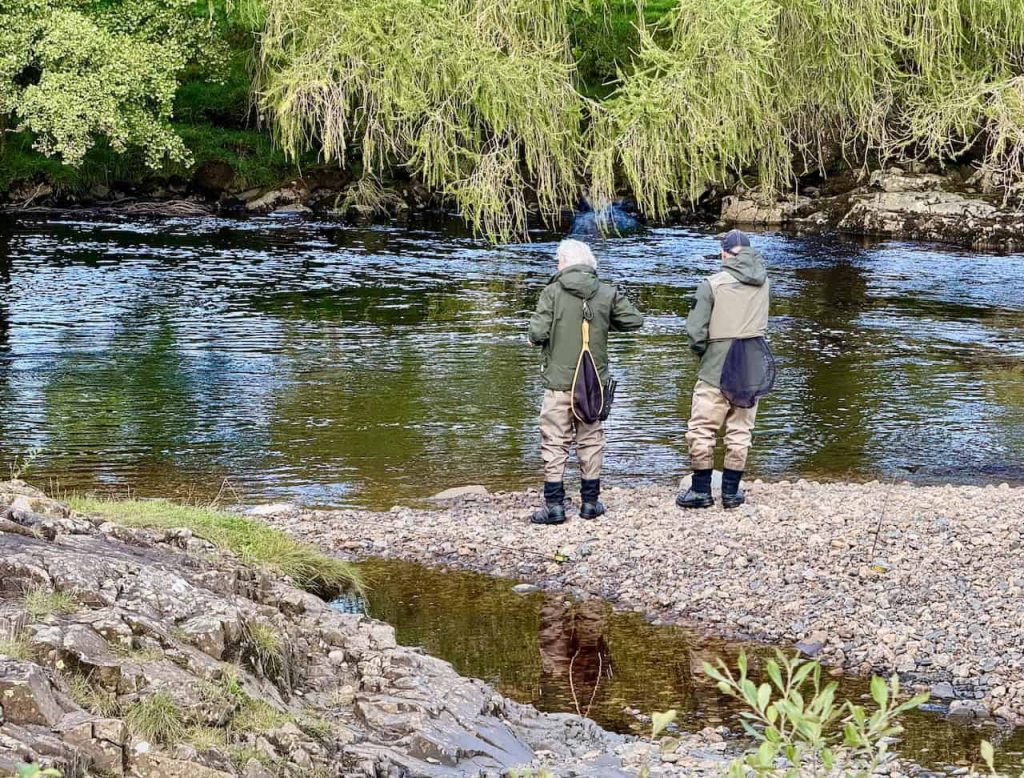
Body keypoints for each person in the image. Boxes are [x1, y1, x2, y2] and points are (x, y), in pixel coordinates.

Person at [527, 239, 644, 525]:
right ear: (589, 264)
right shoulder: (606, 292)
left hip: (559, 382)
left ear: (564, 263)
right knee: (591, 439)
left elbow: (536, 333)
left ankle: (554, 506)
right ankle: (590, 503)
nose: (556, 266)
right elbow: (634, 320)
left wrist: (535, 337)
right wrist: (603, 320)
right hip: (593, 384)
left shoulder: (551, 292)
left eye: (557, 262)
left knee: (554, 441)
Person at [677, 229, 770, 510]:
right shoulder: (765, 282)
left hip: (717, 365)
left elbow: (695, 331)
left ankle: (701, 492)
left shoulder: (712, 284)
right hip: (753, 364)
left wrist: (702, 353)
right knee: (741, 429)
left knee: (702, 429)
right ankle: (730, 493)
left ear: (723, 254)